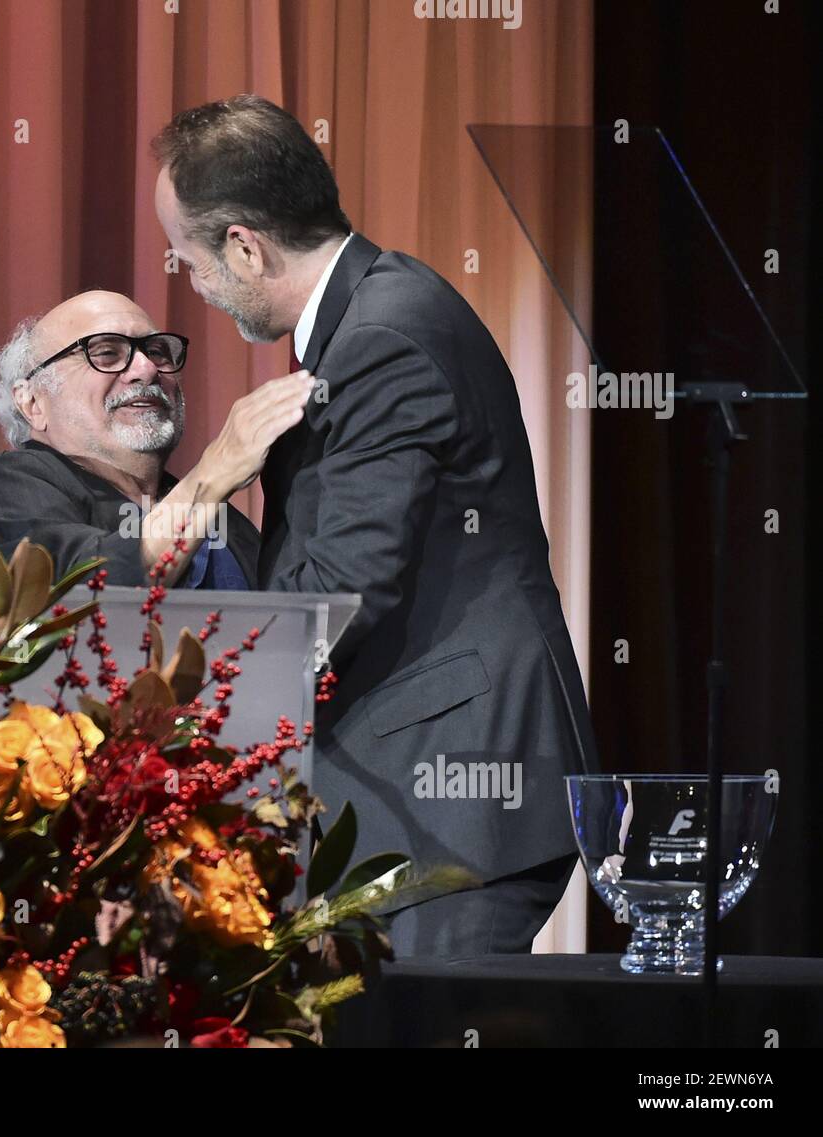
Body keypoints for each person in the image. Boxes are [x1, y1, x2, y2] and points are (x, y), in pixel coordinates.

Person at [152, 95, 599, 975]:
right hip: (430, 794)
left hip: (452, 799)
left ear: (245, 244)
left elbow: (338, 597)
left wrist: (199, 688)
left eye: (190, 259)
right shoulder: (377, 314)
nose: (193, 285)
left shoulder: (383, 336)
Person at [0, 289, 312, 588]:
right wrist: (214, 472)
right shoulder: (12, 487)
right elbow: (88, 594)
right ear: (32, 402)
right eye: (105, 353)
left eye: (157, 351)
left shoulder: (223, 520)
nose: (147, 369)